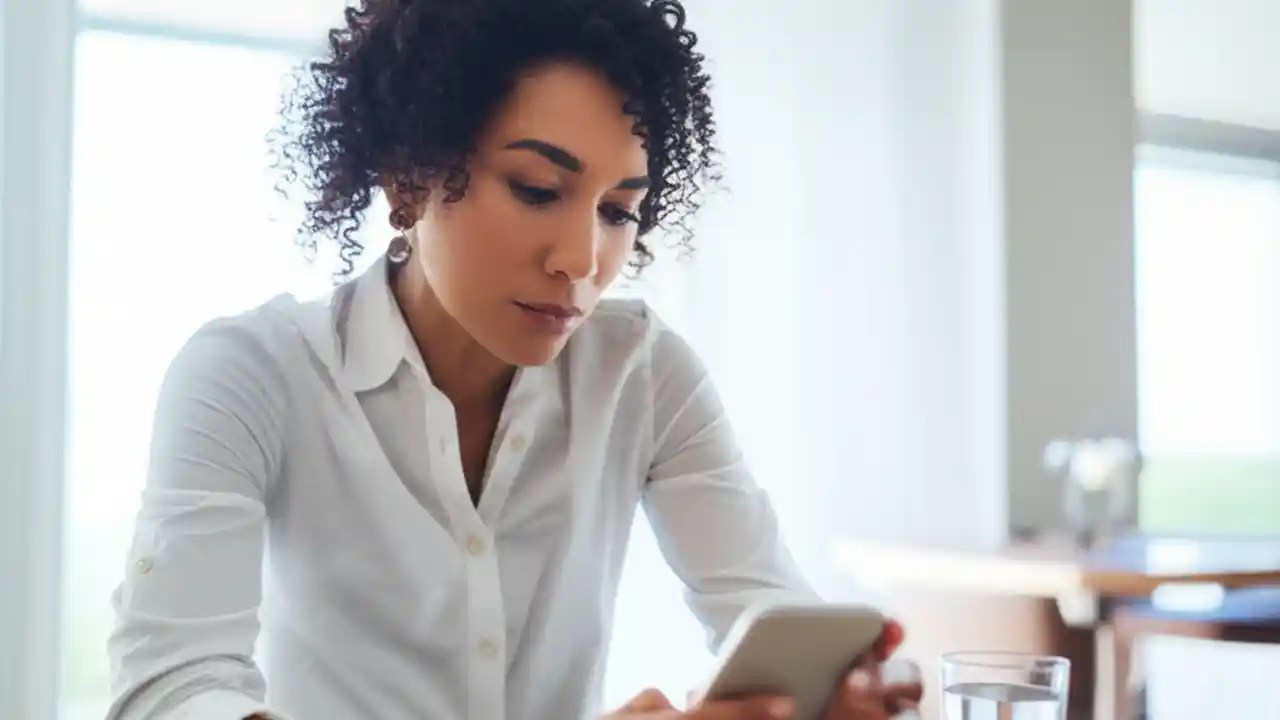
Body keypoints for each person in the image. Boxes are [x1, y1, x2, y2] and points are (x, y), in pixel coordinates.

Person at [106, 0, 922, 718]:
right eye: (537, 189)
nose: (583, 259)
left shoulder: (644, 373)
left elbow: (770, 612)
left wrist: (831, 696)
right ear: (408, 176)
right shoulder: (250, 374)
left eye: (618, 210)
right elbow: (169, 692)